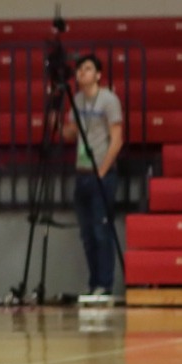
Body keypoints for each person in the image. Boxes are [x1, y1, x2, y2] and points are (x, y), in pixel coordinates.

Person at [64, 53, 124, 299]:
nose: (82, 73)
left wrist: (103, 170)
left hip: (102, 172)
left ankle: (105, 285)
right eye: (79, 69)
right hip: (82, 171)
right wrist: (64, 124)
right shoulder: (77, 100)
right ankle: (93, 284)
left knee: (101, 230)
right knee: (87, 233)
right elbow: (69, 134)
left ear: (98, 74)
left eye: (87, 69)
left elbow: (117, 139)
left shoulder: (109, 100)